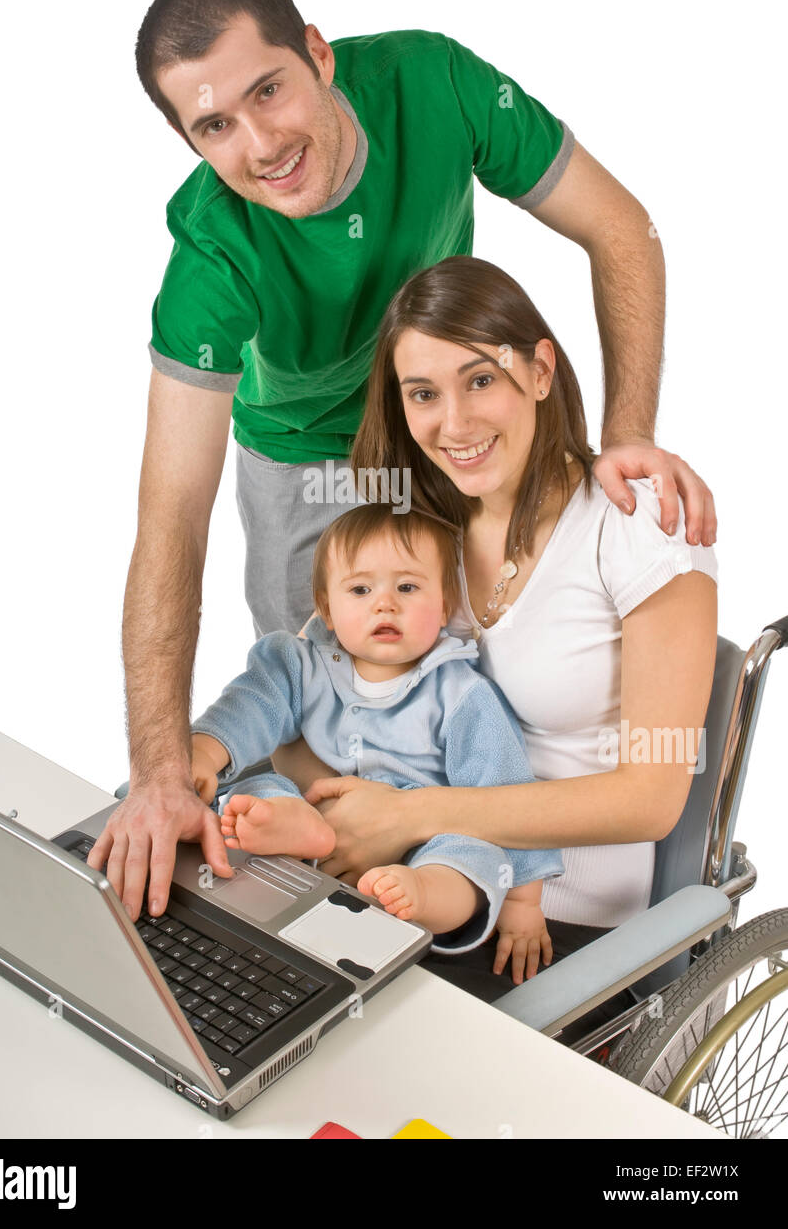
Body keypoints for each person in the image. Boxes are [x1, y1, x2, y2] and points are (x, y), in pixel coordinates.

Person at [89, 0, 716, 925]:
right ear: (187, 142)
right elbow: (170, 521)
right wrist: (164, 770)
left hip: (431, 413)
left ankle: (426, 861)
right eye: (215, 126)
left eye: (270, 91)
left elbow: (621, 230)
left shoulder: (435, 86)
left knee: (452, 669)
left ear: (318, 55)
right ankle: (339, 902)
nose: (261, 144)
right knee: (319, 693)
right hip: (307, 457)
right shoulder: (210, 257)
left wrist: (626, 437)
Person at [295, 255, 718, 1019]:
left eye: (480, 379)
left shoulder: (637, 527)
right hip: (411, 871)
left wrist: (416, 813)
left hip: (555, 918)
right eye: (423, 393)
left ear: (540, 371)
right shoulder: (422, 530)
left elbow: (651, 798)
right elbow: (310, 692)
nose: (452, 424)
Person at [187, 502, 563, 962]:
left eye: (407, 587)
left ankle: (421, 894)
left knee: (475, 855)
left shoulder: (462, 694)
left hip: (423, 842)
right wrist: (205, 752)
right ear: (326, 609)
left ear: (445, 605)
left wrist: (523, 901)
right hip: (318, 813)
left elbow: (505, 788)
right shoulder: (300, 665)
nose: (385, 603)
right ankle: (292, 824)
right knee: (261, 788)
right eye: (361, 589)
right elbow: (253, 703)